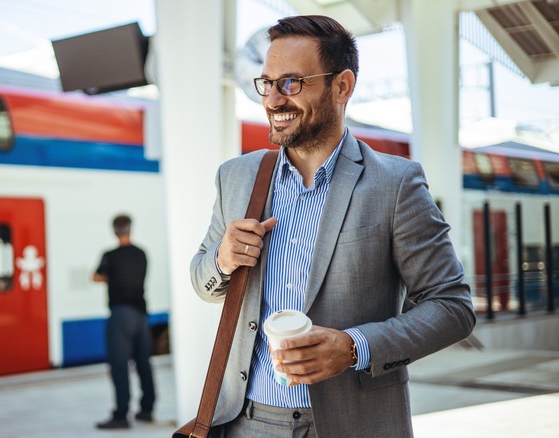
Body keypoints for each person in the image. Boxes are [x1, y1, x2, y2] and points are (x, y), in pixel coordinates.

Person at [190, 15, 476, 437]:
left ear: (341, 86)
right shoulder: (235, 177)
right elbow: (202, 280)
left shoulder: (395, 183)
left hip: (353, 423)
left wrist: (354, 347)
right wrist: (222, 258)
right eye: (266, 83)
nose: (272, 100)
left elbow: (452, 306)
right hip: (246, 422)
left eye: (291, 83)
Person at [92, 214, 156, 430]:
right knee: (143, 363)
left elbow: (96, 276)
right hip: (141, 315)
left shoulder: (109, 255)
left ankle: (121, 415)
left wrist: (110, 276)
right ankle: (147, 410)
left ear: (114, 231)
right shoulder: (141, 254)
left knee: (119, 366)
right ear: (130, 229)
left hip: (120, 314)